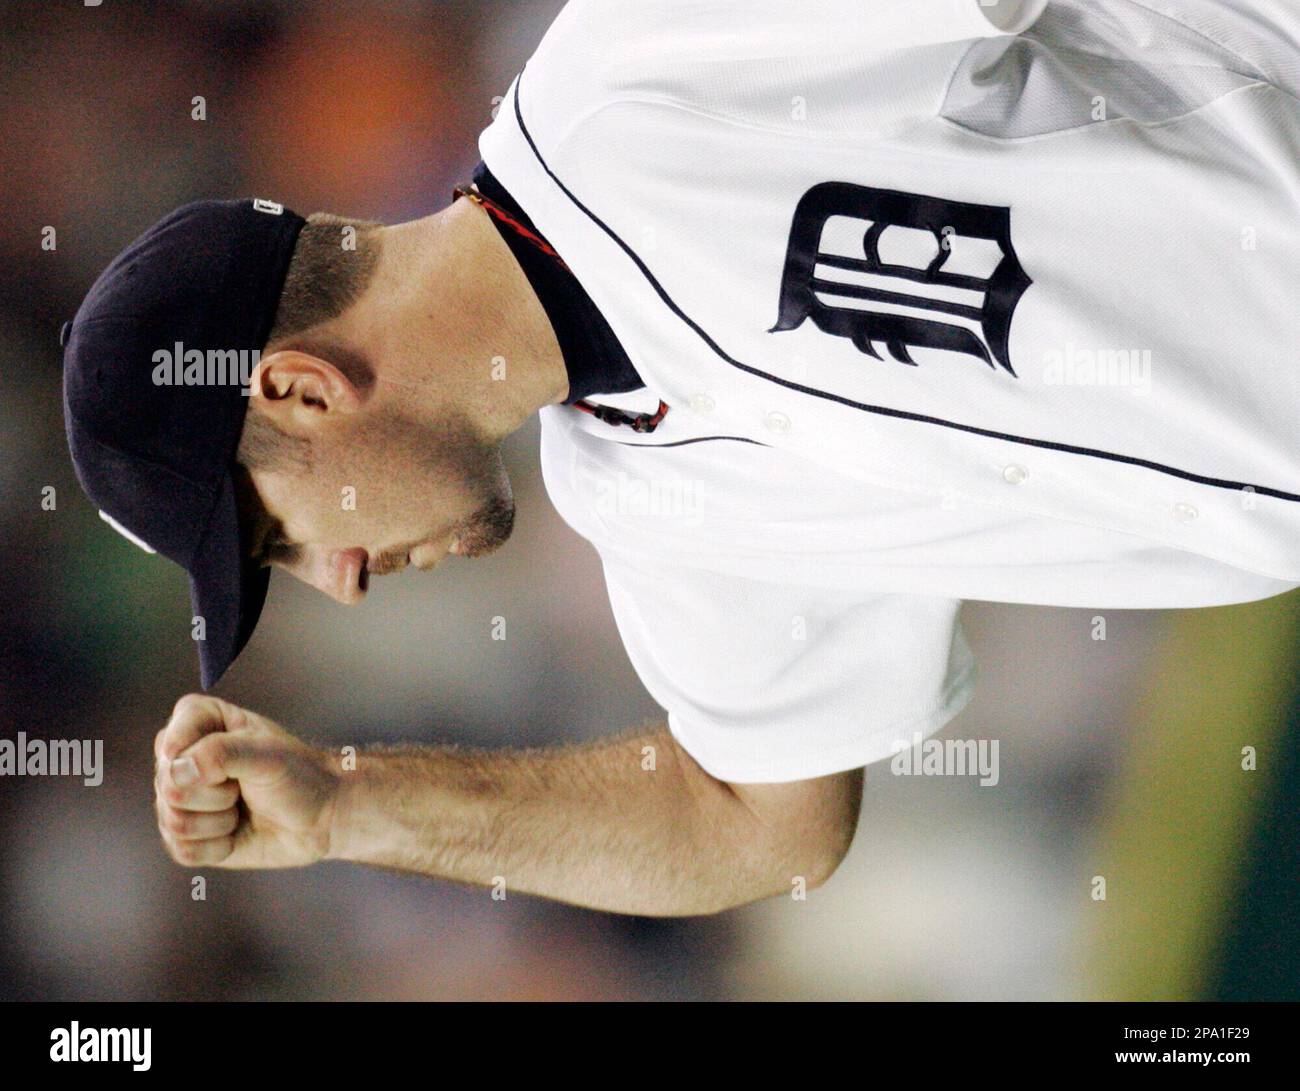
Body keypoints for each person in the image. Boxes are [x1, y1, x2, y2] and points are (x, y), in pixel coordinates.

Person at [62, 0, 1299, 915]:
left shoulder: (639, 65)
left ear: (297, 389)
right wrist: (350, 804)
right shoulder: (643, 500)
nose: (340, 578)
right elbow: (755, 824)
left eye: (278, 531)